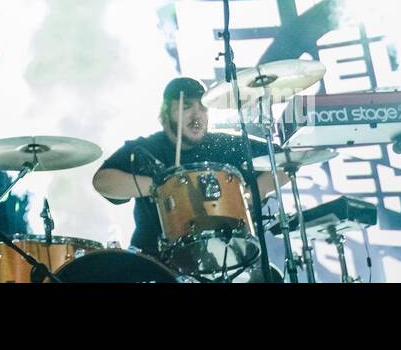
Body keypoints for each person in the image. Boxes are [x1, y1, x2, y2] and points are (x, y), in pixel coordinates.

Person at [93, 77, 280, 275]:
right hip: (155, 264)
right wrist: (161, 187)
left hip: (226, 259)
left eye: (203, 108)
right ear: (165, 113)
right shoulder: (147, 147)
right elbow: (102, 181)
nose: (196, 115)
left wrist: (249, 196)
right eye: (187, 107)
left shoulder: (223, 145)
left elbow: (283, 160)